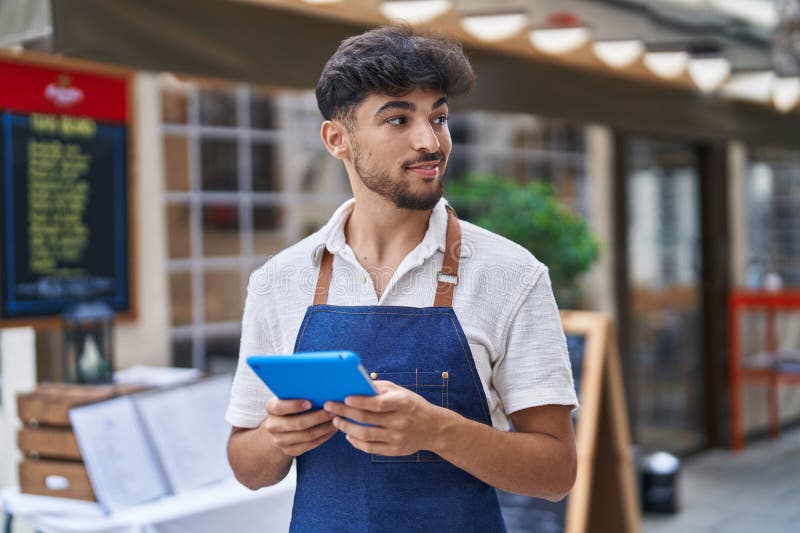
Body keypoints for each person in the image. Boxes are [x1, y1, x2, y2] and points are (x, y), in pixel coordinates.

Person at [226, 26, 578, 532]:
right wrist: (277, 437)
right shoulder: (278, 281)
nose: (430, 141)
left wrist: (437, 430)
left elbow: (556, 473)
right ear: (337, 139)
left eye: (438, 117)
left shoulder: (511, 276)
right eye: (398, 119)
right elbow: (245, 465)